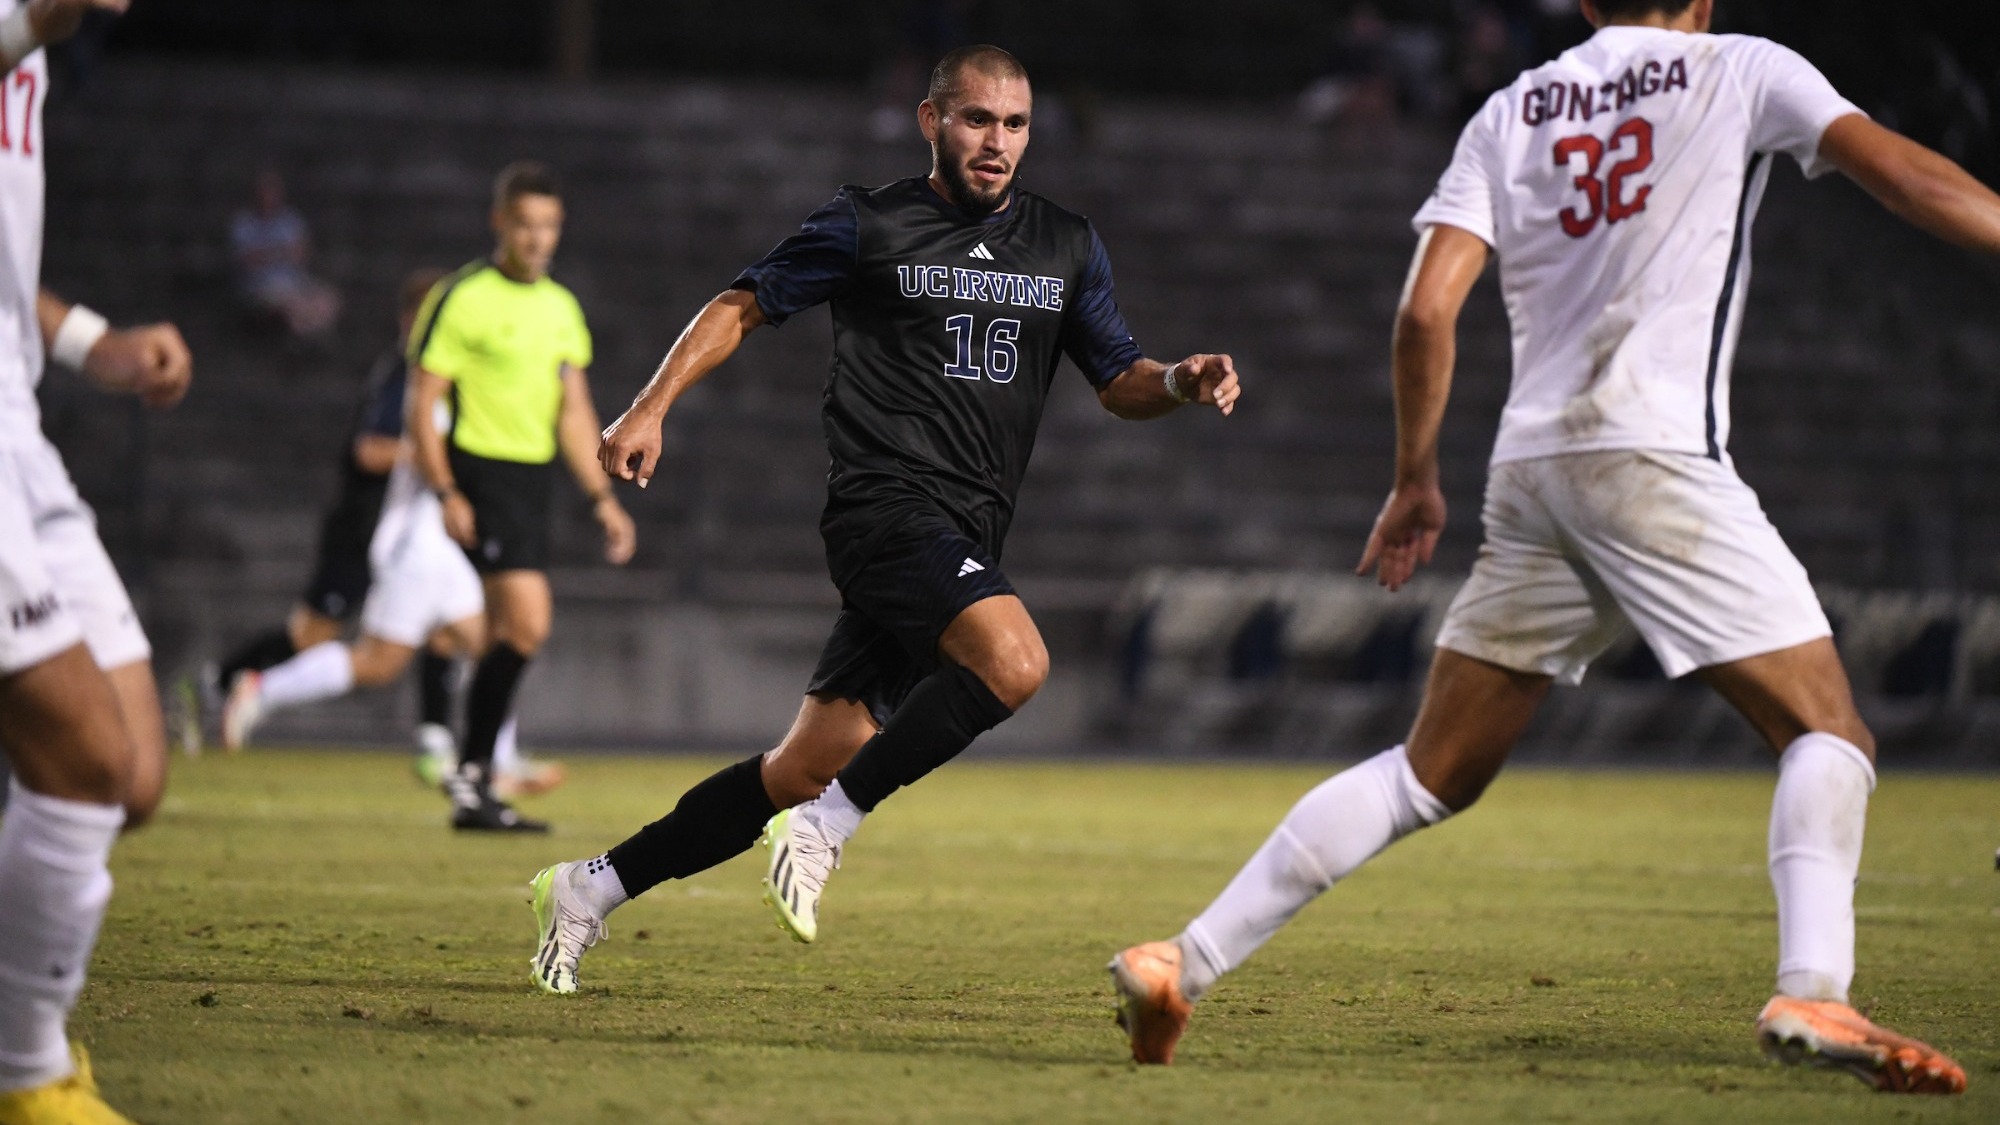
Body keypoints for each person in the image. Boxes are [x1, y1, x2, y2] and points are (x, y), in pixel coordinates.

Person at [1107, 0, 1997, 1095]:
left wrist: (1413, 477)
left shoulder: (1511, 107)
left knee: (1427, 774)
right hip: (1650, 456)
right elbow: (1904, 175)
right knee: (1827, 729)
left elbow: (1424, 314)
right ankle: (1812, 984)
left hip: (1531, 469)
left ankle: (1179, 961)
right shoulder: (1740, 67)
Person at [523, 44, 1243, 995]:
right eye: (977, 119)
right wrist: (651, 404)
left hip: (966, 534)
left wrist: (1181, 383)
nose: (997, 142)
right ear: (932, 120)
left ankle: (590, 886)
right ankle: (829, 827)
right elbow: (743, 304)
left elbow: (1120, 382)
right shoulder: (870, 221)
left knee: (799, 765)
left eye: (1015, 124)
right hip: (883, 510)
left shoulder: (1066, 243)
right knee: (1016, 663)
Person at [0, 1, 195, 1120]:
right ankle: (25, 1073)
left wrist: (94, 345)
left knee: (130, 774)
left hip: (20, 433)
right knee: (76, 753)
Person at [405, 160, 634, 833]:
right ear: (499, 223)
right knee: (525, 622)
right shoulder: (462, 296)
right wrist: (445, 487)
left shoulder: (561, 307)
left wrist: (602, 496)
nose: (537, 240)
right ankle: (474, 770)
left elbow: (573, 409)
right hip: (479, 470)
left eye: (549, 227)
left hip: (532, 479)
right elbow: (423, 404)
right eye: (525, 225)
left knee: (491, 633)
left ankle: (473, 777)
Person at [206, 268, 463, 764]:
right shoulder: (404, 376)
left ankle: (446, 743)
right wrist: (432, 453)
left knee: (459, 629)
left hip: (407, 530)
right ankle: (227, 686)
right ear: (412, 319)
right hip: (367, 527)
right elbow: (369, 451)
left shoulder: (428, 374)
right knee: (320, 637)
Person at [229, 167, 340, 341]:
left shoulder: (291, 220)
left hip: (294, 281)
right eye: (265, 192)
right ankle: (301, 342)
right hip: (260, 286)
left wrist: (269, 253)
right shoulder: (244, 223)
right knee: (291, 304)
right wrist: (281, 252)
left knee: (327, 299)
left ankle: (310, 341)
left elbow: (301, 253)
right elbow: (248, 260)